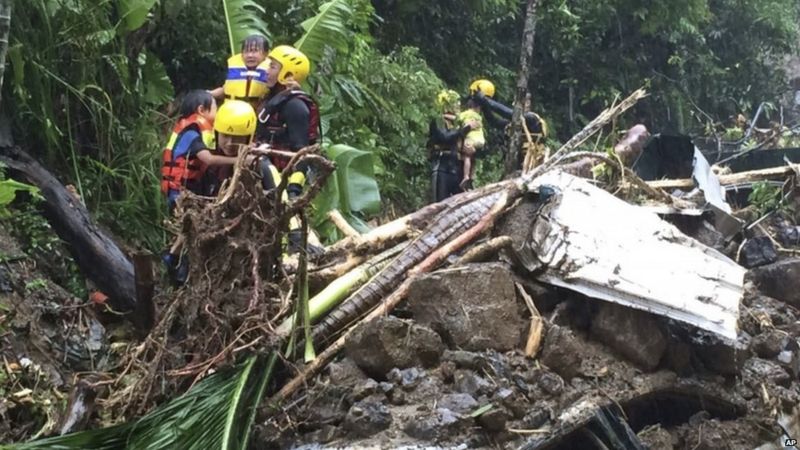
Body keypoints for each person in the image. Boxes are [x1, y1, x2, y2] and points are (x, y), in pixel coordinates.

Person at [160, 95, 257, 283]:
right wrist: (239, 160)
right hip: (179, 192)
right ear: (201, 110)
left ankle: (175, 263)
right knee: (190, 230)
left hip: (186, 189)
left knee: (189, 230)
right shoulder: (192, 133)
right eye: (214, 108)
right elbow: (209, 159)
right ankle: (175, 264)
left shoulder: (196, 130)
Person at [254, 45, 322, 253]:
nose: (267, 70)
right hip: (266, 169)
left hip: (281, 173)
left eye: (273, 67)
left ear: (288, 74)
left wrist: (293, 189)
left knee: (265, 166)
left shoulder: (295, 106)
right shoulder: (272, 98)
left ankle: (296, 237)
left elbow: (302, 152)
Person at [428, 90, 478, 202]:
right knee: (439, 205)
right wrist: (466, 128)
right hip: (442, 169)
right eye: (455, 103)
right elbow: (445, 137)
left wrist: (471, 148)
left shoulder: (459, 123)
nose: (458, 106)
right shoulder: (438, 120)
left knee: (459, 204)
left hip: (457, 170)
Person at [209, 35, 271, 109]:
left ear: (266, 53)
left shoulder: (271, 71)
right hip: (230, 111)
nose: (250, 55)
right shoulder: (232, 67)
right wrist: (208, 94)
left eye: (254, 51)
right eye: (246, 51)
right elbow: (224, 90)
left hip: (256, 112)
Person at [456, 97, 485, 190]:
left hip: (471, 139)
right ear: (477, 108)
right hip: (480, 140)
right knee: (473, 158)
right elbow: (480, 125)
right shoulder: (478, 117)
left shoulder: (464, 114)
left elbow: (458, 119)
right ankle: (472, 177)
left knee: (467, 156)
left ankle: (466, 176)